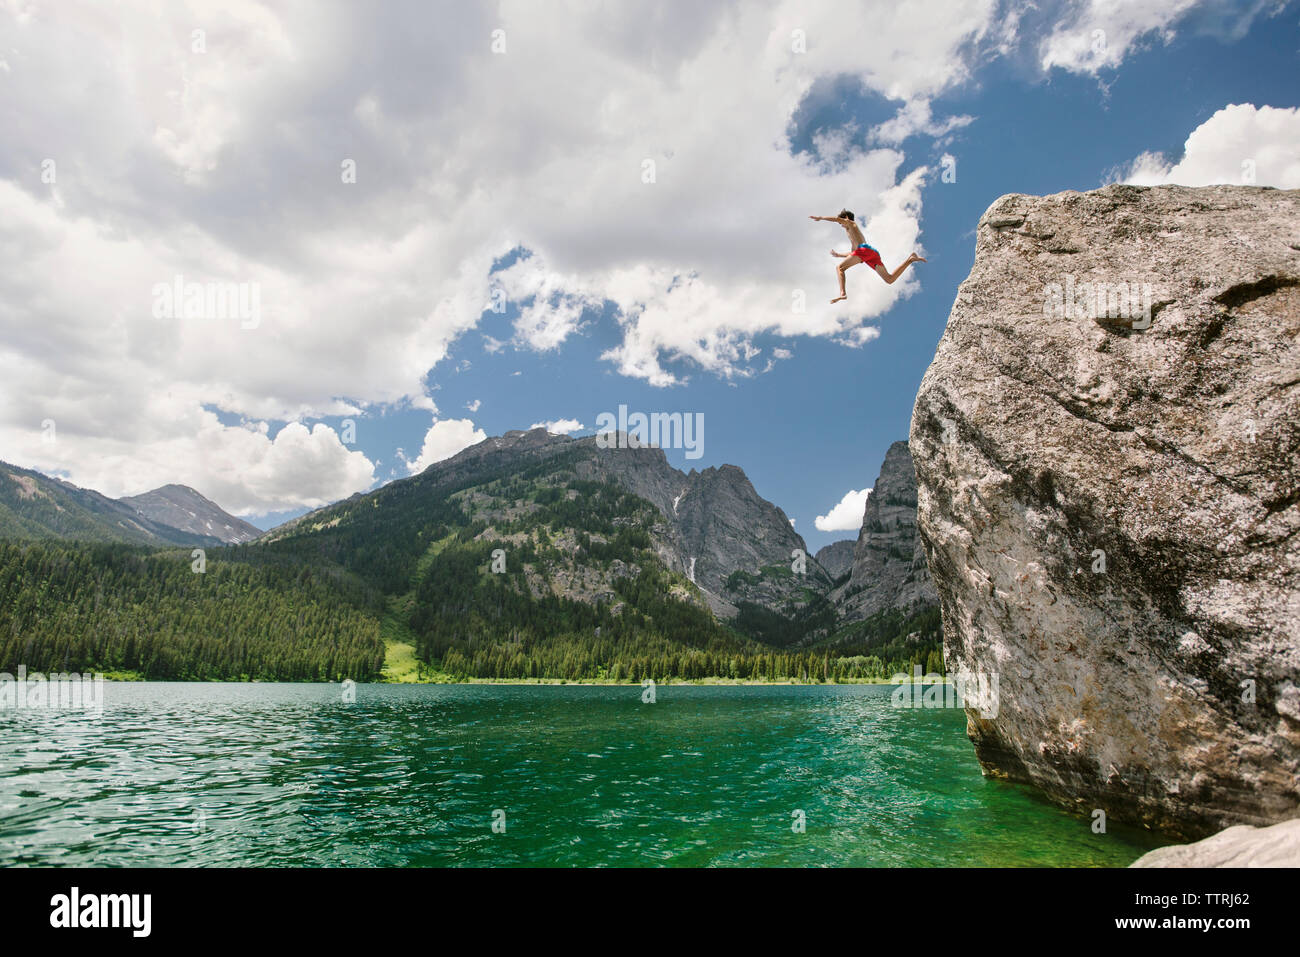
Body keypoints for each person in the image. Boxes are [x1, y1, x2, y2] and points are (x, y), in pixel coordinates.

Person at [810, 210, 925, 303]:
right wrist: (839, 255)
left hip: (864, 251)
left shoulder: (851, 224)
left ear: (845, 218)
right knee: (889, 279)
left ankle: (842, 294)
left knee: (839, 268)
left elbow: (837, 220)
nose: (841, 225)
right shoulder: (851, 234)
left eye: (841, 223)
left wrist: (821, 217)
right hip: (869, 255)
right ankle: (910, 259)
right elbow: (853, 254)